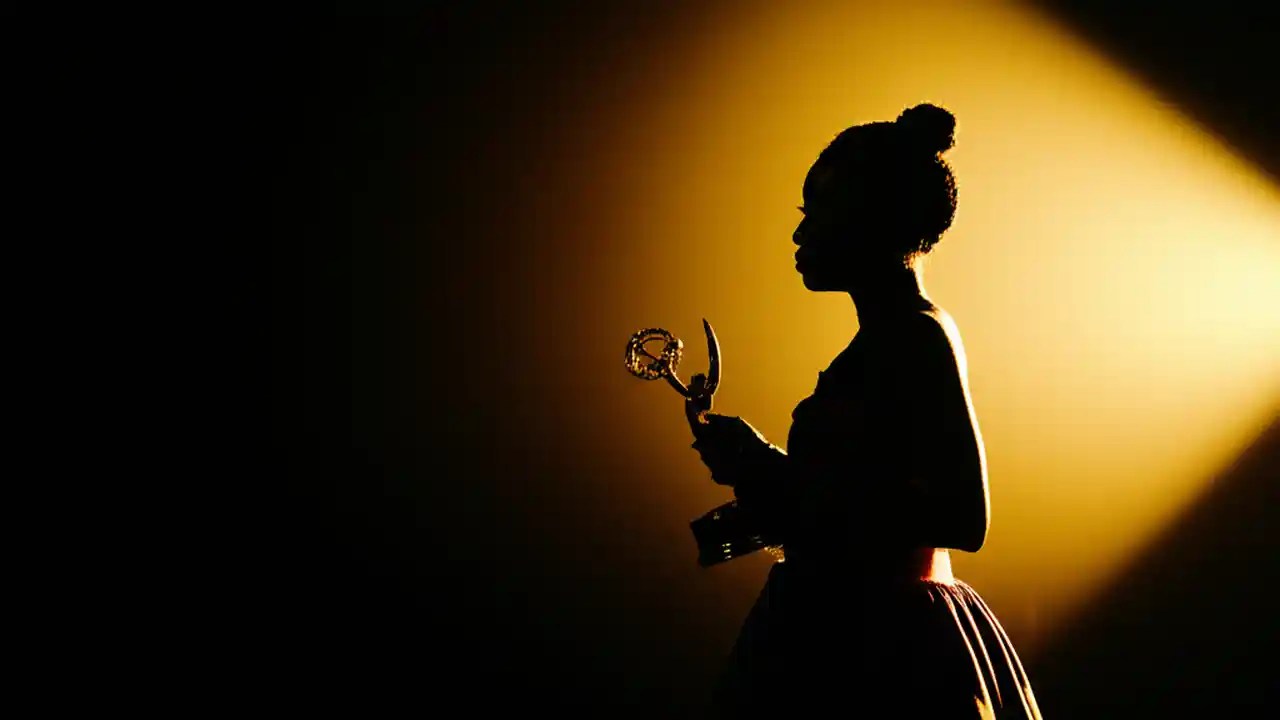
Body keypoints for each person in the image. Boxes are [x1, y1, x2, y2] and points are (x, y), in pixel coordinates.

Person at [687, 104, 1044, 718]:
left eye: (816, 211)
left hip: (881, 649)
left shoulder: (916, 337)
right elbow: (866, 491)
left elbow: (963, 517)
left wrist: (775, 477)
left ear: (871, 217)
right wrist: (765, 467)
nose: (801, 234)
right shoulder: (890, 340)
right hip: (845, 628)